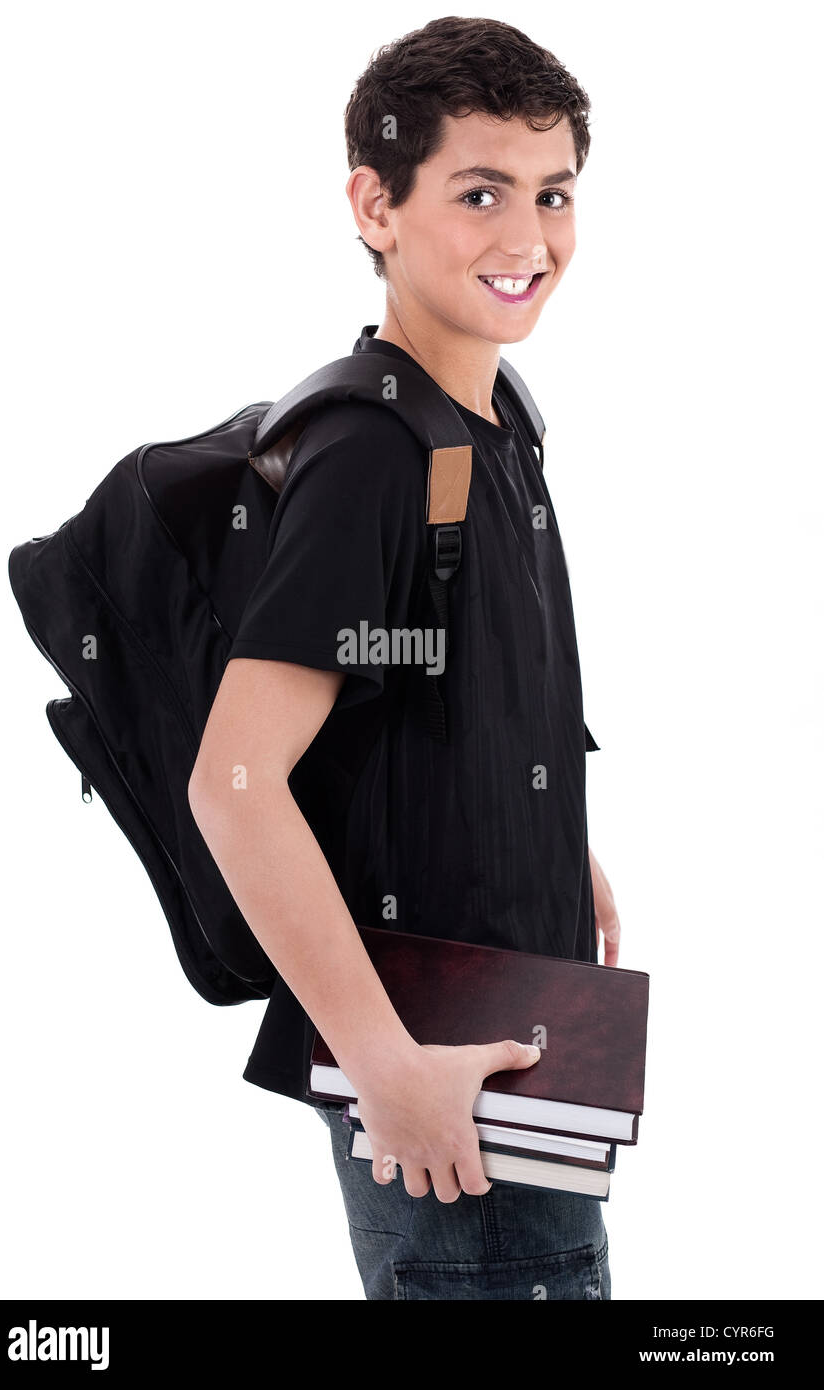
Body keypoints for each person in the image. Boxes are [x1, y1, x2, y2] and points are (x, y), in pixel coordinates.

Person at [187, 15, 621, 1301]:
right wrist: (381, 1064)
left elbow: (444, 679)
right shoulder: (371, 452)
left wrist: (555, 845)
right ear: (374, 203)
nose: (527, 239)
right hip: (438, 1072)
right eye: (477, 192)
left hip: (509, 1019)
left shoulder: (496, 421)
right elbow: (236, 781)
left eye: (553, 194)